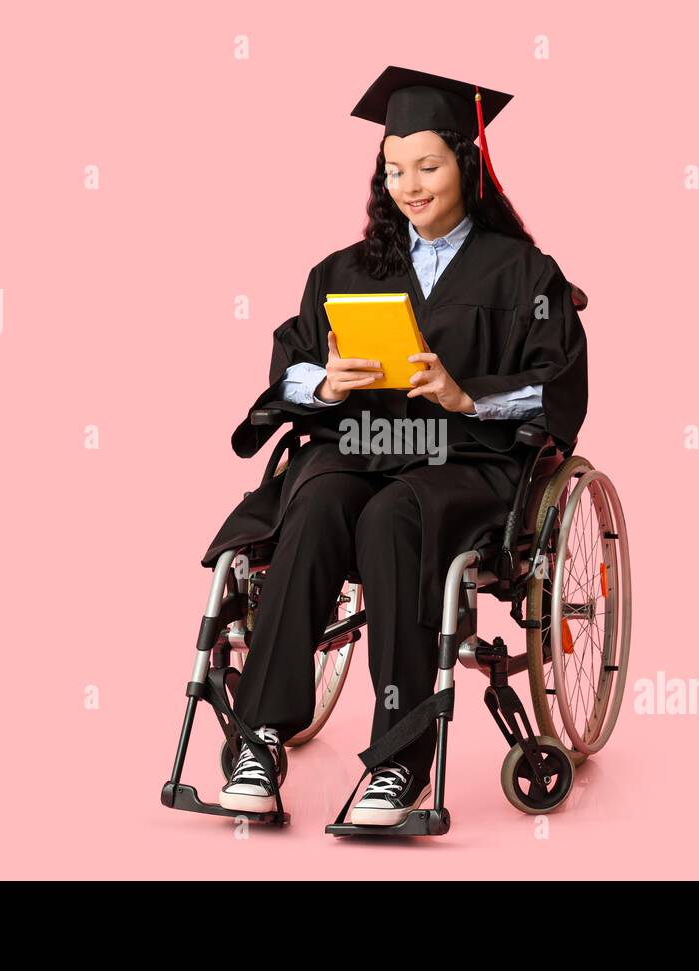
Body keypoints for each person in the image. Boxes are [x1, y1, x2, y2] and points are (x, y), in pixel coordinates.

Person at [200, 65, 589, 827]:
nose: (409, 184)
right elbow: (291, 362)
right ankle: (259, 735)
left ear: (466, 168)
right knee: (313, 507)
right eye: (394, 168)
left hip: (465, 460)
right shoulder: (346, 270)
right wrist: (328, 383)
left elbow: (559, 385)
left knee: (393, 519)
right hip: (361, 444)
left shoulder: (522, 273)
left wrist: (465, 392)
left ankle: (400, 760)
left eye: (428, 166)